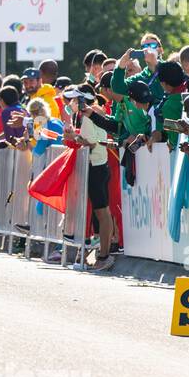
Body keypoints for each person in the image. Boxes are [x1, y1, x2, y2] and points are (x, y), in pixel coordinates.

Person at [62, 84, 116, 272]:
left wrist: (73, 137)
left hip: (97, 167)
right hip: (97, 165)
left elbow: (91, 143)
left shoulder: (88, 115)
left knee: (102, 212)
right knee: (101, 212)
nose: (71, 103)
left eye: (75, 100)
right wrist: (75, 137)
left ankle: (105, 256)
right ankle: (102, 253)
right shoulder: (92, 112)